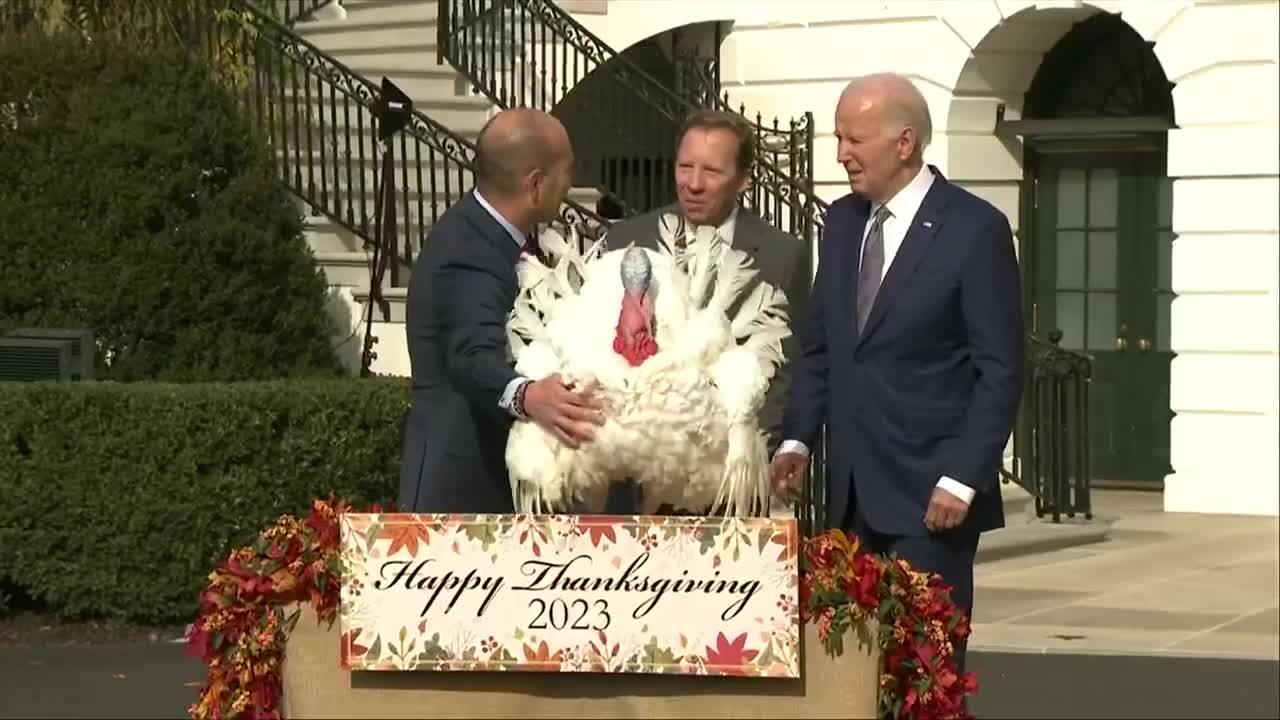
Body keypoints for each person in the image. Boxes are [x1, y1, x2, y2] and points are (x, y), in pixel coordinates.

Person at [771, 73, 1024, 668]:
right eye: (838, 138)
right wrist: (797, 438)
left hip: (930, 499)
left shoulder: (975, 229)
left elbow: (1001, 370)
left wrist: (963, 477)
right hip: (851, 498)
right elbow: (822, 347)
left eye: (854, 139)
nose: (841, 154)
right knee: (849, 674)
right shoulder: (842, 223)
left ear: (904, 143)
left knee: (923, 673)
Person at [600, 108, 810, 514]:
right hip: (635, 480)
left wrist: (749, 461)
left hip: (732, 485)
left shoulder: (783, 255)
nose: (693, 184)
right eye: (685, 167)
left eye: (712, 171)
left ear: (743, 179)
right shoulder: (627, 239)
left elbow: (787, 373)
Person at [398, 108, 605, 513]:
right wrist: (527, 395)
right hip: (460, 491)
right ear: (536, 184)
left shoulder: (496, 236)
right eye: (567, 171)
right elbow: (469, 355)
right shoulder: (467, 247)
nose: (570, 184)